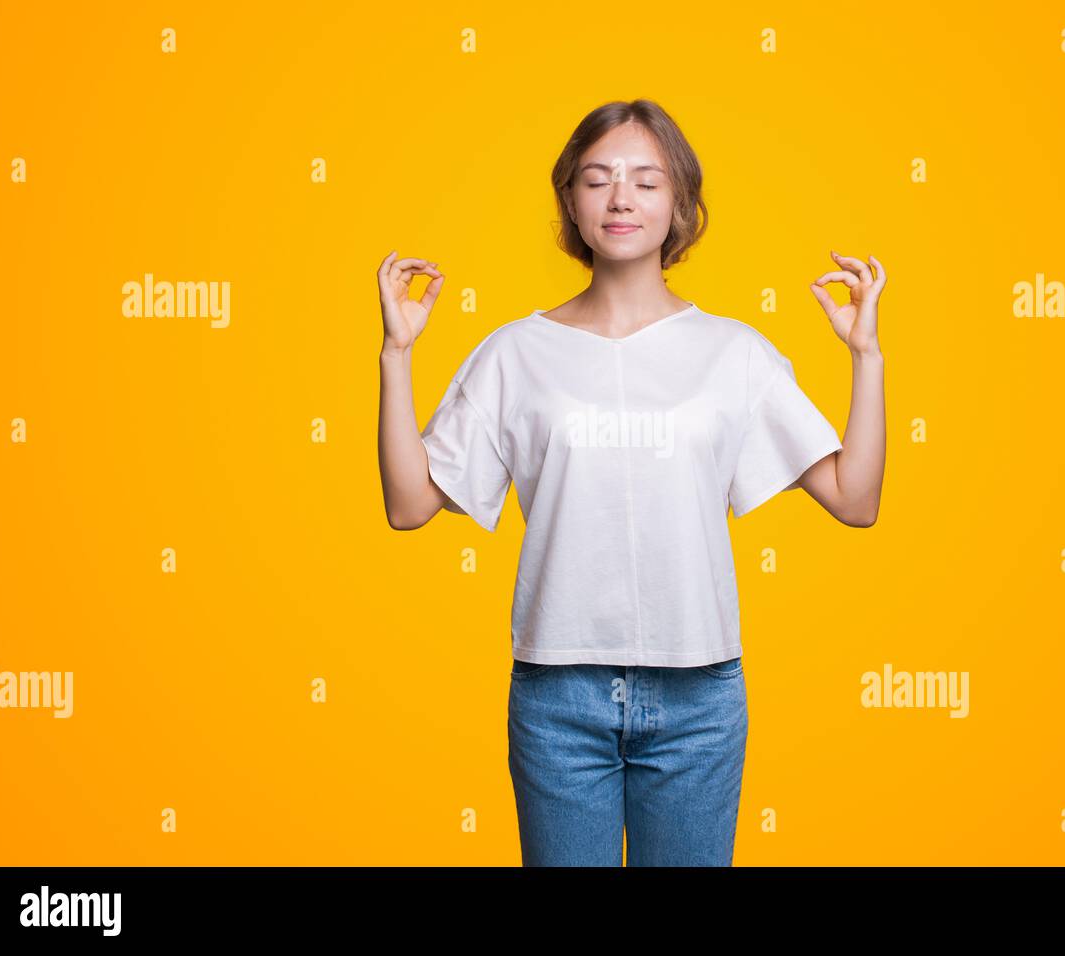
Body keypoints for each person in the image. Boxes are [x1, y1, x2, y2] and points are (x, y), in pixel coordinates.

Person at [376, 99, 887, 866]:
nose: (621, 198)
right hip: (557, 697)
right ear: (571, 204)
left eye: (646, 181)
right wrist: (395, 356)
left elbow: (856, 498)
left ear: (678, 202)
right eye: (598, 179)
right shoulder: (515, 353)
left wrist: (867, 359)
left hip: (699, 698)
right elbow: (409, 504)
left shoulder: (733, 352)